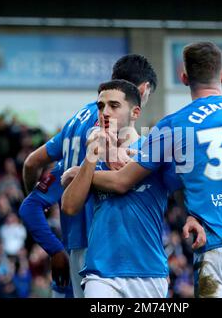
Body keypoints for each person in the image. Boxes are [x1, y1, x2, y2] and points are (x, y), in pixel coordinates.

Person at [90, 42, 222, 298]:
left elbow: (122, 181)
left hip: (217, 244)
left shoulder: (172, 124)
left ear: (183, 77)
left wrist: (79, 175)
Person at [19, 54, 160, 298]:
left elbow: (31, 163)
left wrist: (52, 235)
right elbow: (114, 164)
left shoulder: (77, 118)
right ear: (144, 90)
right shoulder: (108, 123)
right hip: (106, 244)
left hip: (74, 240)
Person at [62, 79, 205, 298]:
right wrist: (90, 158)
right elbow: (70, 207)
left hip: (150, 272)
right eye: (101, 106)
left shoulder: (156, 151)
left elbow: (183, 189)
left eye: (114, 106)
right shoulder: (94, 154)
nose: (105, 112)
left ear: (135, 112)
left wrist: (192, 216)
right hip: (101, 274)